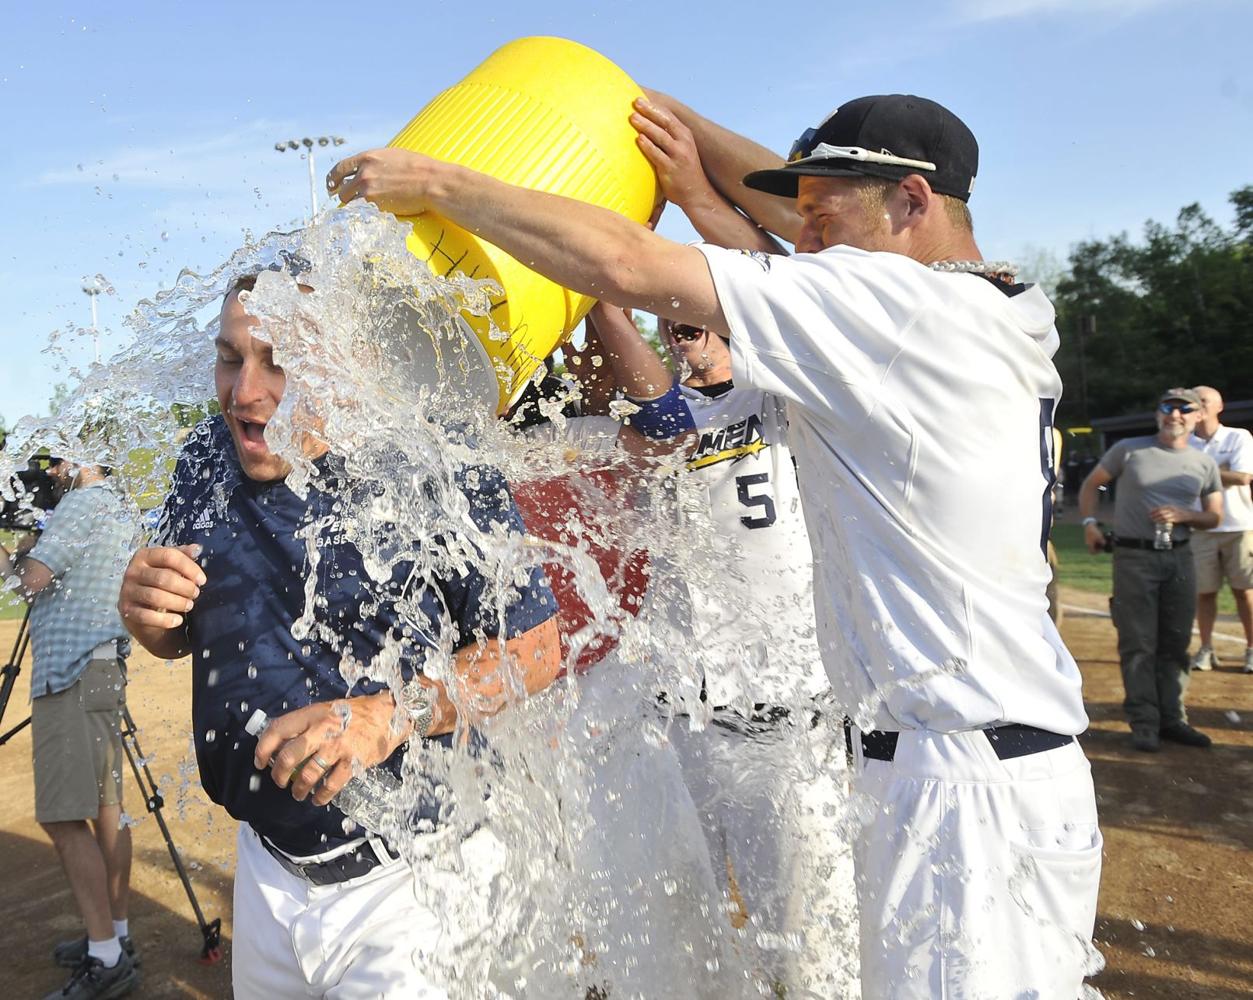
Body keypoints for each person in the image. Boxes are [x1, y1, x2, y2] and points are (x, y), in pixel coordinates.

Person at [325, 89, 1104, 995]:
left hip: (962, 781)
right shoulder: (987, 306)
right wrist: (687, 161)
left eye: (821, 221)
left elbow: (627, 262)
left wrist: (439, 183)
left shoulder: (901, 309)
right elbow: (787, 247)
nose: (802, 240)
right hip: (968, 760)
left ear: (912, 201)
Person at [116, 273, 560, 997]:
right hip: (266, 869)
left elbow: (534, 651)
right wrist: (146, 617)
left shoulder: (432, 461)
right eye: (229, 359)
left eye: (278, 362)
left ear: (346, 358)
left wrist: (390, 716)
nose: (245, 393)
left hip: (416, 880)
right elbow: (181, 633)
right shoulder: (203, 460)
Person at [632, 114, 858, 995]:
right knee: (685, 936)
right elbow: (654, 424)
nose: (683, 337)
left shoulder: (781, 395)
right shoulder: (671, 415)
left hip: (785, 720)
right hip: (686, 713)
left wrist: (694, 196)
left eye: (695, 326)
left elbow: (783, 287)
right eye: (673, 330)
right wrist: (605, 301)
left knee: (804, 950)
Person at [0, 458, 138, 1000]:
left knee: (61, 816)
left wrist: (9, 556)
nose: (52, 470)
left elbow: (31, 581)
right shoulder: (115, 505)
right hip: (100, 669)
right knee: (107, 808)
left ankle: (106, 957)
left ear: (83, 459)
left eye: (58, 458)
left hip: (70, 673)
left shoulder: (80, 503)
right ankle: (116, 937)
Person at [1079, 388, 1223, 752]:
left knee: (1176, 641)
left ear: (1197, 416)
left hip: (1180, 558)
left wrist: (1185, 515)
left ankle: (1172, 719)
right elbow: (1091, 485)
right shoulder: (1129, 450)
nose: (1175, 414)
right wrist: (1090, 524)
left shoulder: (1204, 463)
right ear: (1158, 414)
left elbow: (1214, 516)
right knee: (1138, 642)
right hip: (1134, 558)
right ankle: (1144, 721)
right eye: (1167, 407)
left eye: (1184, 409)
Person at [1188, 385, 1253, 673]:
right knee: (1204, 593)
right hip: (1201, 527)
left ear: (1219, 406)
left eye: (1204, 400)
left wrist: (1197, 471)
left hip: (1239, 526)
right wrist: (1221, 469)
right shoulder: (1185, 441)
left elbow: (1243, 477)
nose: (1198, 405)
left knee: (1245, 592)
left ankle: (1251, 649)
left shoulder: (1238, 437)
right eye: (1194, 400)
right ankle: (1206, 649)